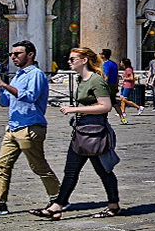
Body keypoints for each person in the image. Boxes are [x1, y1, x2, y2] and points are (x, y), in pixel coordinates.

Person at [0, 40, 60, 216]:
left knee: (38, 166)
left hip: (30, 127)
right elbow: (5, 101)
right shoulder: (18, 76)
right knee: (2, 165)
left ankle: (58, 198)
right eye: (12, 54)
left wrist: (3, 84)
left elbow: (30, 97)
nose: (13, 57)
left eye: (17, 54)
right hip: (13, 127)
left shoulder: (36, 74)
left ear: (30, 54)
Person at [32, 48, 121, 220]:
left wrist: (75, 109)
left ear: (84, 60)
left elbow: (106, 106)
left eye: (73, 59)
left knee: (104, 171)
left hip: (95, 132)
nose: (69, 62)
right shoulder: (81, 79)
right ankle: (57, 206)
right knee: (71, 171)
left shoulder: (96, 81)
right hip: (81, 131)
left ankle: (113, 206)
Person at [100, 49, 125, 125]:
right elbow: (117, 76)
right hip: (113, 84)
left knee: (103, 102)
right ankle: (122, 117)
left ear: (103, 55)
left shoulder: (106, 64)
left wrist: (103, 86)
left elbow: (106, 77)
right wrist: (116, 86)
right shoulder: (114, 64)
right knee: (114, 102)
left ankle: (104, 118)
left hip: (108, 85)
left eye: (100, 53)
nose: (99, 55)